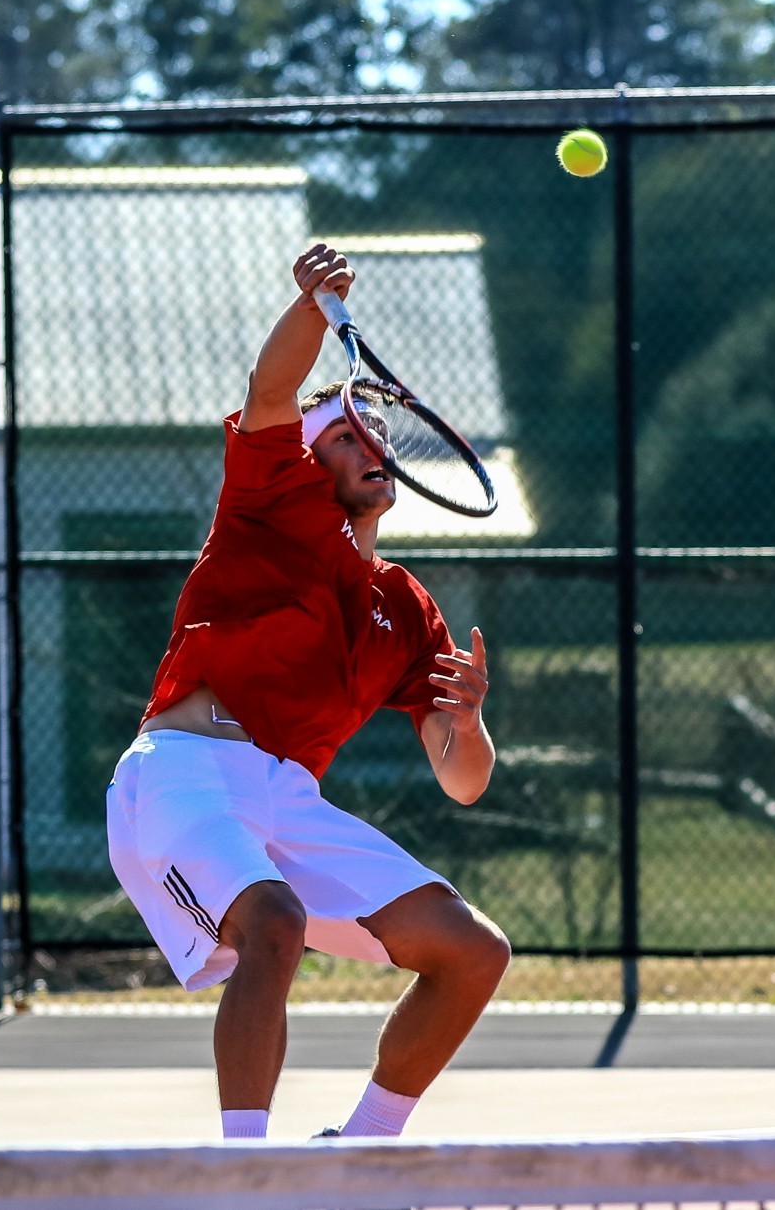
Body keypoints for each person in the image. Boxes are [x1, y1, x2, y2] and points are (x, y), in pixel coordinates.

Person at [106, 243, 511, 1144]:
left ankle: (363, 1149)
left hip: (286, 796)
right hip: (183, 773)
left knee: (473, 952)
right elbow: (271, 392)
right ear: (302, 461)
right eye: (339, 435)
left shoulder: (407, 608)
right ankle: (245, 1175)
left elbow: (463, 781)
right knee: (275, 921)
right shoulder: (266, 507)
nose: (364, 443)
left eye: (368, 435)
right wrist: (311, 306)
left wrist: (468, 721)